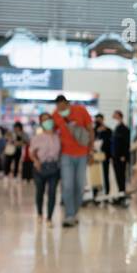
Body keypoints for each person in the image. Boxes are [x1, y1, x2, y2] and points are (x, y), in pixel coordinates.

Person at [52, 93, 92, 227]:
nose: (61, 110)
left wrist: (90, 151)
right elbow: (52, 132)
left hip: (82, 154)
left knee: (80, 186)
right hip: (66, 155)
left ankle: (74, 213)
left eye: (63, 108)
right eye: (58, 108)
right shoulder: (55, 115)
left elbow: (90, 130)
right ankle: (69, 215)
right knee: (67, 185)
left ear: (67, 104)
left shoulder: (81, 110)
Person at [28, 115, 62, 223]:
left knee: (52, 192)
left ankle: (49, 217)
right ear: (41, 123)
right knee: (40, 191)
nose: (47, 122)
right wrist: (36, 161)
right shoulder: (37, 137)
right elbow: (31, 152)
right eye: (44, 120)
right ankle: (39, 213)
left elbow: (60, 153)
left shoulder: (58, 137)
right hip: (40, 167)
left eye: (49, 119)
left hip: (54, 167)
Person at [110, 110, 131, 204]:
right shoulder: (117, 127)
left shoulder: (124, 128)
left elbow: (126, 143)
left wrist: (123, 155)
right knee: (118, 177)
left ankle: (122, 196)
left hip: (121, 157)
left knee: (121, 177)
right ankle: (120, 195)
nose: (113, 116)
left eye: (115, 114)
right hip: (115, 157)